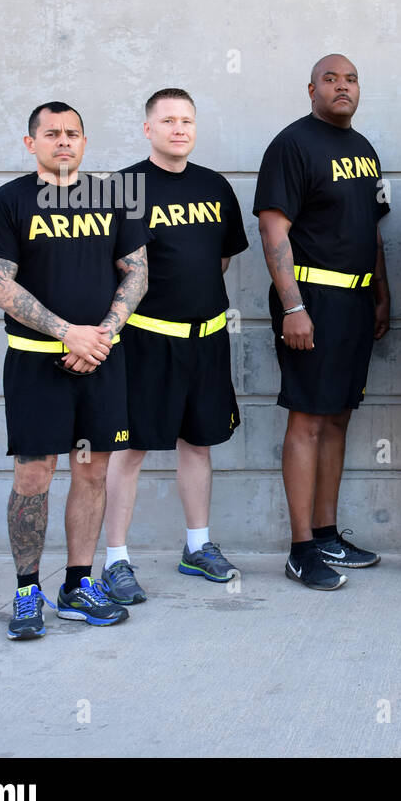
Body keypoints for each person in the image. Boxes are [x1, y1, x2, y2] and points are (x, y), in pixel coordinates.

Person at [0, 101, 149, 638]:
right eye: (51, 134)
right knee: (34, 475)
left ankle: (77, 583)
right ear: (31, 144)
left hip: (102, 358)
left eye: (73, 133)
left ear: (85, 142)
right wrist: (66, 332)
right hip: (35, 365)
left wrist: (101, 335)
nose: (63, 141)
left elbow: (136, 274)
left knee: (92, 471)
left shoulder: (113, 199)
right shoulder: (6, 203)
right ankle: (27, 592)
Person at [100, 89, 251, 604]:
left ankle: (197, 545)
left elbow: (222, 260)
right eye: (168, 121)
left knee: (199, 443)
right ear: (148, 129)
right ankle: (116, 559)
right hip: (145, 340)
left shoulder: (215, 186)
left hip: (206, 338)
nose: (179, 129)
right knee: (131, 447)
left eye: (186, 120)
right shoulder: (123, 188)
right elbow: (108, 269)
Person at [255, 55, 391, 591]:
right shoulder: (292, 144)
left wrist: (381, 294)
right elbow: (273, 231)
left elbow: (373, 229)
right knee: (307, 419)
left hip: (356, 303)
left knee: (338, 417)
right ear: (311, 88)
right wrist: (292, 306)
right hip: (310, 300)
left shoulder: (364, 150)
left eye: (351, 79)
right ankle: (300, 549)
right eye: (331, 79)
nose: (342, 87)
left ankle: (328, 531)